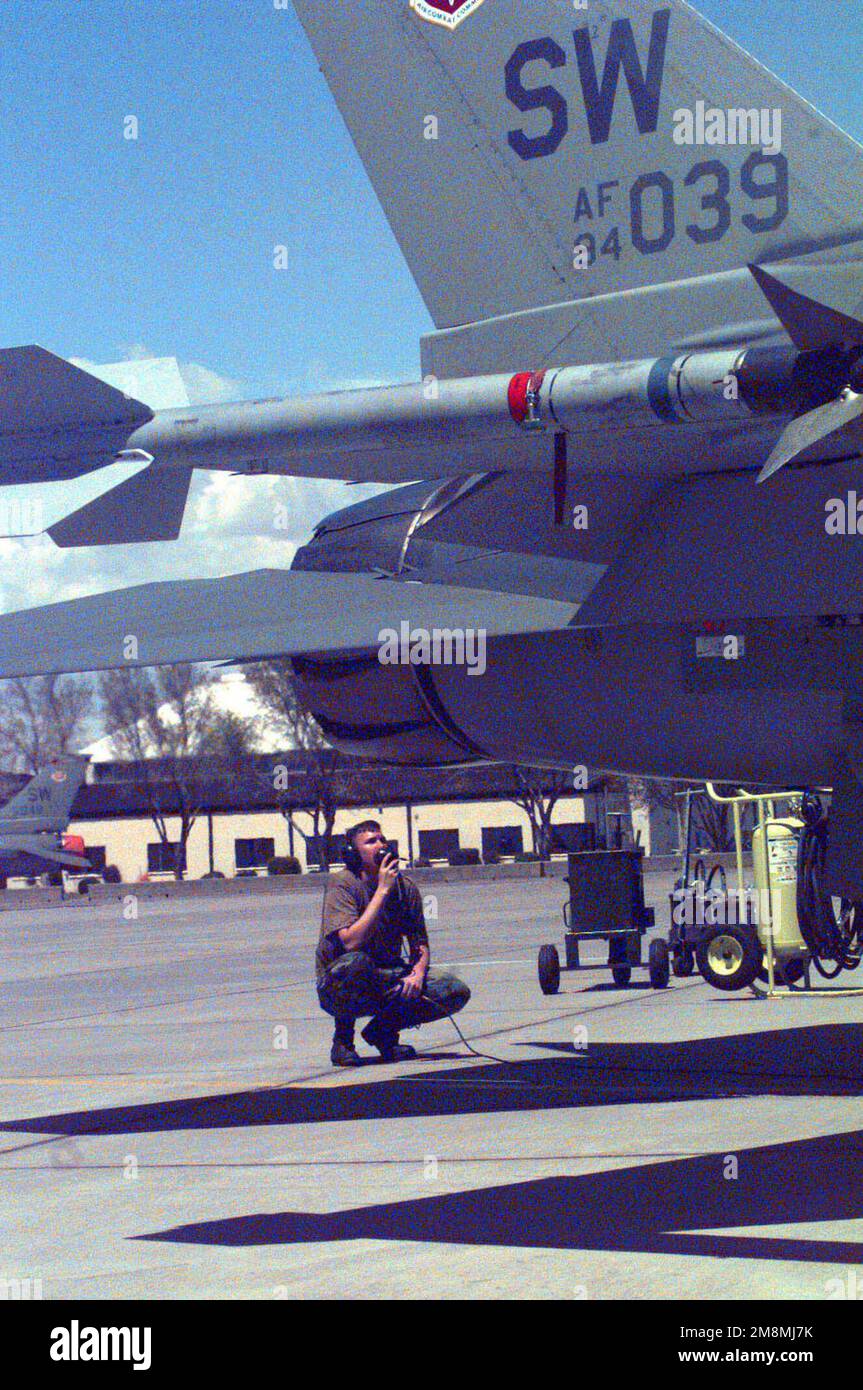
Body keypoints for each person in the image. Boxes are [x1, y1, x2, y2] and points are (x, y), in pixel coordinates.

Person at [316, 820, 471, 1067]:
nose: (380, 845)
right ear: (354, 854)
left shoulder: (405, 888)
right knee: (355, 963)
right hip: (340, 980)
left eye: (382, 839)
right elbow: (350, 942)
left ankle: (383, 1032)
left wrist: (417, 975)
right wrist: (382, 891)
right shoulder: (343, 884)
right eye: (370, 841)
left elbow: (419, 941)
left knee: (453, 990)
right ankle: (343, 1040)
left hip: (386, 974)